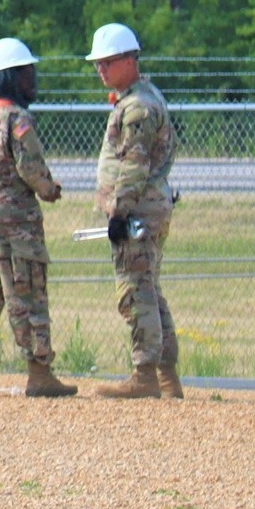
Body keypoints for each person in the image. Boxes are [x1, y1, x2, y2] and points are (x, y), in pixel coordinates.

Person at [0, 39, 76, 398]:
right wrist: (49, 189)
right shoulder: (17, 119)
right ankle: (39, 373)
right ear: (10, 76)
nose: (33, 79)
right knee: (27, 291)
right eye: (27, 72)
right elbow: (31, 168)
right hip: (14, 220)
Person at [86, 24, 182, 399]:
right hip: (149, 207)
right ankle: (167, 378)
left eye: (108, 62)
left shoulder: (137, 106)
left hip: (137, 211)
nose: (101, 70)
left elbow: (134, 165)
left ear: (129, 60)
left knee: (135, 290)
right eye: (98, 63)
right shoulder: (142, 97)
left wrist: (119, 213)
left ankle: (145, 375)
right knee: (150, 290)